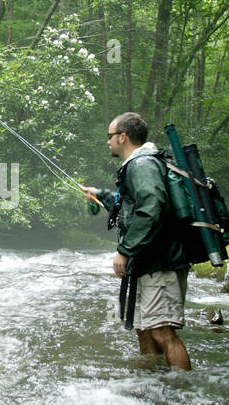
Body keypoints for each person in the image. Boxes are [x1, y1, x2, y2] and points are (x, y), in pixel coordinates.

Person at [79, 112, 192, 370]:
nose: (107, 142)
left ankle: (184, 391)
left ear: (123, 137)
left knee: (163, 332)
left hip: (161, 262)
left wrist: (125, 250)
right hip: (147, 262)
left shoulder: (142, 165)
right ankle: (151, 384)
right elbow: (128, 206)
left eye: (110, 136)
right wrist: (99, 194)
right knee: (144, 329)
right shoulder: (138, 165)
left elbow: (151, 207)